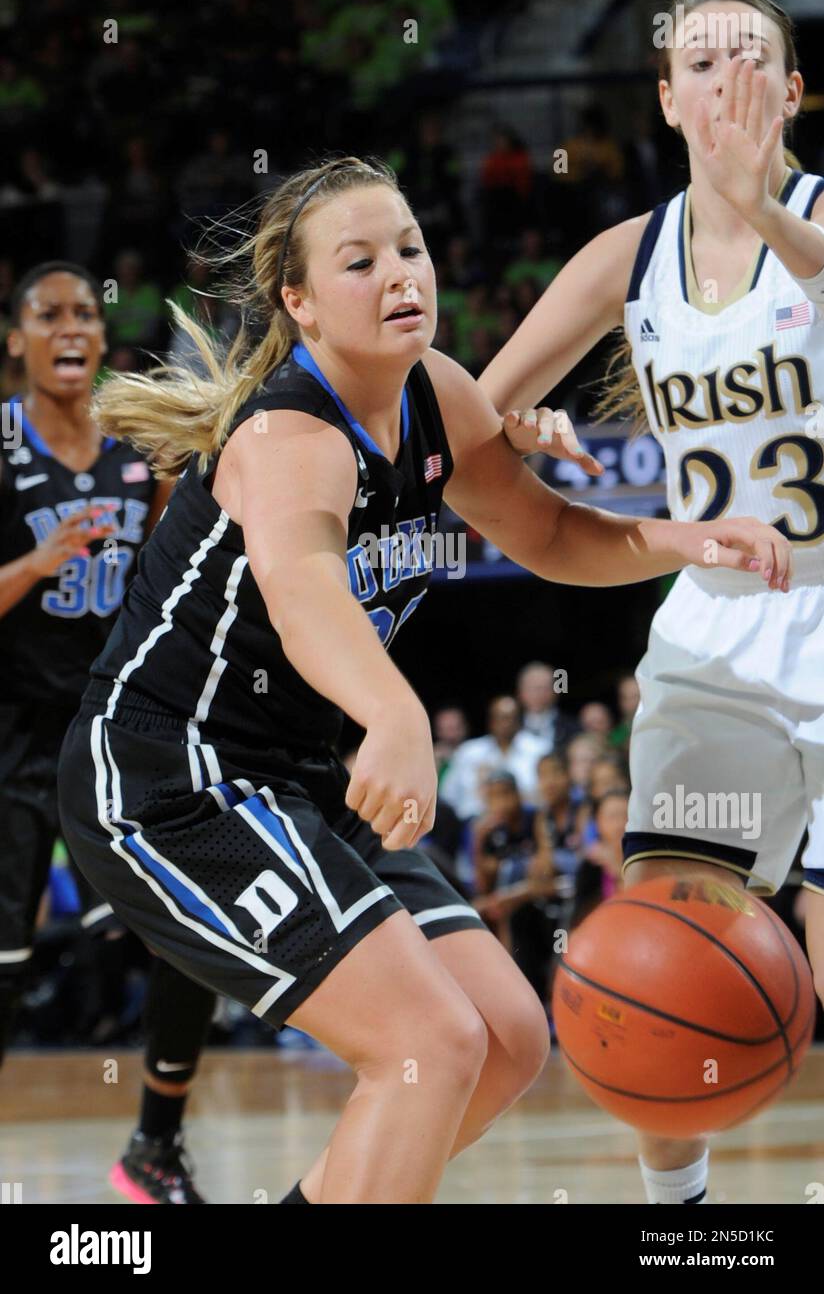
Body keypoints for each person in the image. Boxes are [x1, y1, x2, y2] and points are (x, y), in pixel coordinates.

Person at [57, 155, 788, 1205]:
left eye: (407, 246)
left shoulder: (437, 393)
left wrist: (688, 537)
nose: (400, 272)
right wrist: (393, 713)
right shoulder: (287, 436)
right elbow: (304, 590)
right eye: (358, 261)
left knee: (502, 1037)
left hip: (290, 770)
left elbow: (541, 527)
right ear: (298, 304)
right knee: (429, 1043)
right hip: (169, 779)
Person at [480, 0, 824, 1205]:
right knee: (663, 974)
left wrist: (764, 214)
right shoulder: (626, 258)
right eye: (699, 58)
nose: (725, 75)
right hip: (718, 639)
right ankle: (679, 1228)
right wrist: (523, 423)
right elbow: (474, 414)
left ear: (786, 92)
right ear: (669, 96)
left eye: (752, 56)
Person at [0, 261, 215, 1203]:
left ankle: (155, 1148)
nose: (71, 327)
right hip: (8, 737)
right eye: (48, 315)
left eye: (85, 311)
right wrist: (35, 563)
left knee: (185, 933)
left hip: (106, 733)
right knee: (5, 966)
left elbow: (165, 585)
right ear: (16, 339)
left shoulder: (135, 447)